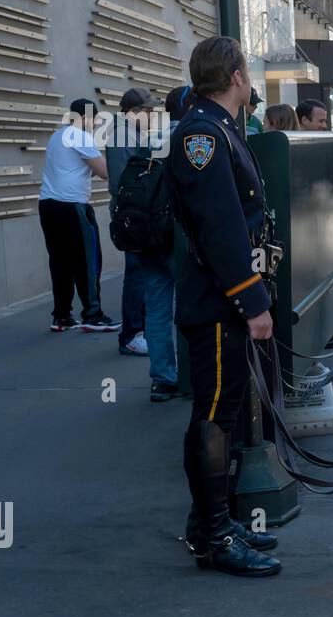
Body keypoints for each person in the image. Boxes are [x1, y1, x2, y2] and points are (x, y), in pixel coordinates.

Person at [166, 36, 281, 577]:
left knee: (225, 413)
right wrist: (252, 301)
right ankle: (213, 537)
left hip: (224, 299)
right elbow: (221, 230)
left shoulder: (220, 129)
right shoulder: (202, 137)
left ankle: (209, 521)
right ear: (235, 76)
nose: (251, 79)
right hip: (218, 302)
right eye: (247, 71)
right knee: (214, 417)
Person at [37, 98, 120, 333]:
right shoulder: (80, 135)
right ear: (85, 117)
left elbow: (73, 169)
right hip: (73, 207)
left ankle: (62, 316)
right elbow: (104, 172)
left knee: (60, 262)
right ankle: (92, 315)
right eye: (93, 120)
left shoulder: (57, 136)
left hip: (48, 206)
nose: (94, 124)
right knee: (88, 261)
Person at [107, 88, 162, 357]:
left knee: (139, 274)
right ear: (133, 112)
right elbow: (123, 182)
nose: (152, 116)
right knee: (136, 275)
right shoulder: (121, 135)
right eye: (148, 111)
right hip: (132, 214)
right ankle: (131, 334)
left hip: (136, 212)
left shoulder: (129, 133)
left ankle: (136, 331)